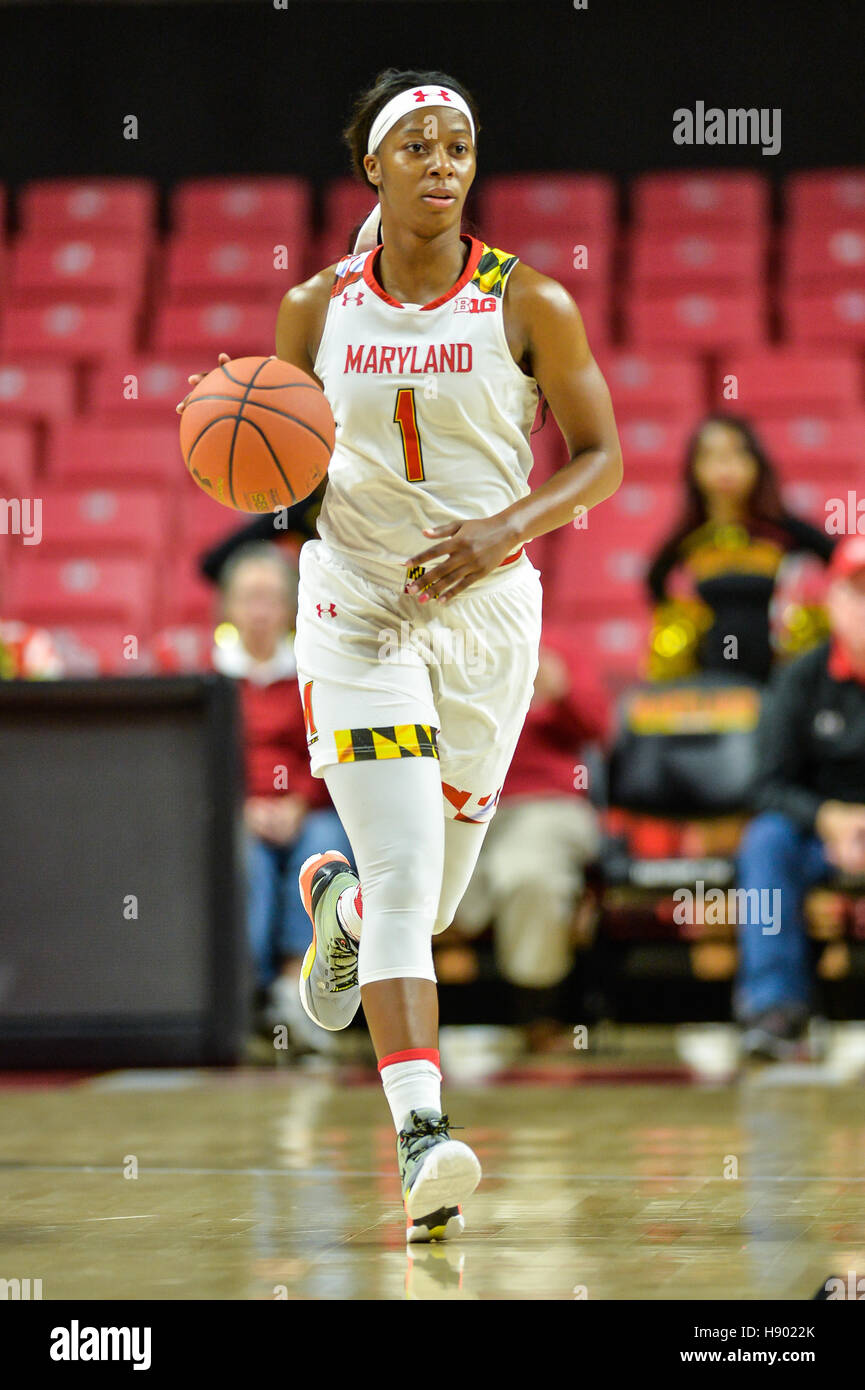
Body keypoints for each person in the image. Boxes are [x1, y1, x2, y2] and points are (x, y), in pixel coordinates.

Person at [179, 66, 622, 1241]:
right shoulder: (315, 309)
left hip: (488, 613)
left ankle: (335, 898)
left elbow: (601, 456)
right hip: (360, 609)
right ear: (370, 166)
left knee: (426, 901)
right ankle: (424, 1133)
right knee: (410, 863)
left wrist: (499, 530)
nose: (441, 163)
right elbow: (291, 481)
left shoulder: (529, 304)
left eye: (459, 145)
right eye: (416, 144)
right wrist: (251, 469)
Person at [212, 543, 354, 1044]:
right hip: (233, 809)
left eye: (270, 599)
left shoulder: (310, 670)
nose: (259, 611)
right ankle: (245, 991)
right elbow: (205, 760)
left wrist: (296, 803)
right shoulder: (213, 677)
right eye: (249, 598)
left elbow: (328, 751)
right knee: (241, 859)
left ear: (289, 607)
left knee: (325, 850)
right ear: (228, 606)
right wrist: (241, 807)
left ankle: (300, 985)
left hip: (303, 808)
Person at [735, 533, 865, 1059]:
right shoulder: (799, 679)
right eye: (857, 591)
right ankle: (775, 1008)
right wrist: (828, 819)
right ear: (832, 600)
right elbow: (766, 785)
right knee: (765, 840)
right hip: (817, 839)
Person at [451, 627, 610, 1050]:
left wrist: (560, 692)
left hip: (544, 802)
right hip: (453, 799)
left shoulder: (555, 650)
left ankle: (537, 1012)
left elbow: (600, 726)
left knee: (527, 873)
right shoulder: (433, 644)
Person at [647, 414, 834, 683]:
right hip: (712, 678)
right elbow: (654, 583)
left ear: (756, 463)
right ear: (694, 468)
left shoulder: (782, 532)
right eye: (712, 456)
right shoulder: (690, 541)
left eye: (736, 454)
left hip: (778, 675)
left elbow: (841, 560)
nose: (725, 467)